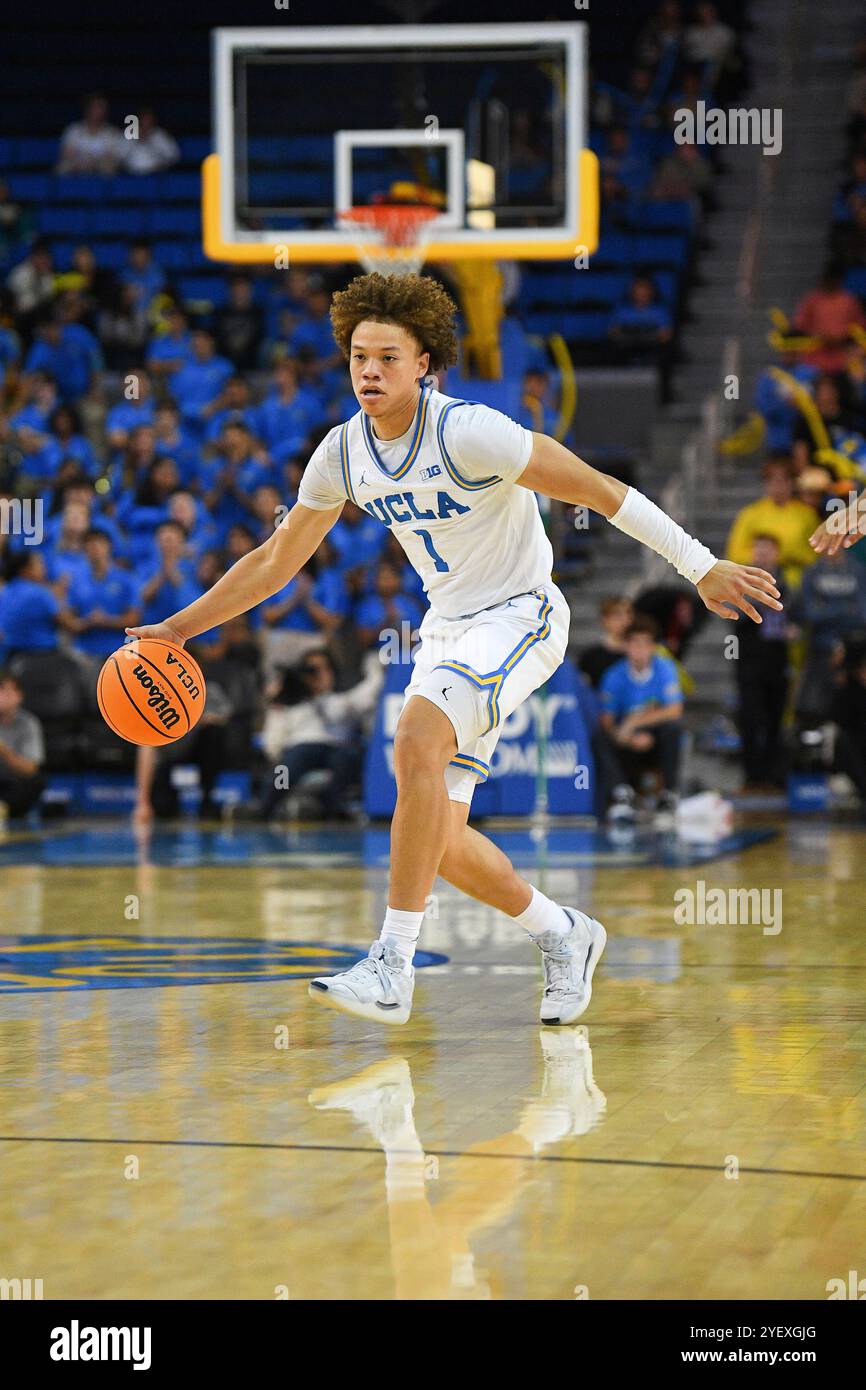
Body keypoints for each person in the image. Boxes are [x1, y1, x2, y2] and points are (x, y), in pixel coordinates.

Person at [125, 270, 781, 1028]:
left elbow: (599, 489)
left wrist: (701, 566)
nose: (369, 371)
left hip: (524, 613)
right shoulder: (341, 454)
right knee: (438, 835)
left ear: (425, 364)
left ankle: (392, 965)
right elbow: (276, 561)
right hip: (449, 628)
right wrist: (180, 628)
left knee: (415, 742)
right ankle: (563, 932)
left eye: (388, 358)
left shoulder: (472, 431)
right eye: (359, 357)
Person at [245, 648, 382, 821]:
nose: (319, 674)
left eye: (325, 669)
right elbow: (273, 738)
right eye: (312, 670)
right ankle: (266, 807)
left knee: (348, 757)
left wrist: (375, 667)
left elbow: (370, 692)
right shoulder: (290, 703)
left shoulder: (342, 700)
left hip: (336, 748)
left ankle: (335, 809)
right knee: (287, 765)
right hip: (300, 748)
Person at [596, 617, 684, 824]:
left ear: (653, 647)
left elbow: (674, 710)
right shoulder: (614, 675)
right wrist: (627, 737)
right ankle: (621, 795)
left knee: (673, 729)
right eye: (635, 643)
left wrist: (636, 723)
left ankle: (668, 795)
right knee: (600, 737)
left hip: (653, 736)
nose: (639, 649)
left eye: (645, 644)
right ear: (626, 646)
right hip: (625, 738)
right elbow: (607, 720)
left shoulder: (664, 669)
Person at [733, 536, 790, 790]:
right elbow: (733, 614)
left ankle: (773, 774)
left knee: (775, 717)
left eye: (768, 550)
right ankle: (752, 774)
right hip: (748, 659)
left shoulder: (785, 581)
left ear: (776, 554)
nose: (762, 554)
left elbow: (794, 611)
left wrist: (789, 626)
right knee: (750, 716)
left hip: (777, 660)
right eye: (759, 549)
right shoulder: (740, 577)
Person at [0, 669, 45, 819]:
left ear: (19, 696)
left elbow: (30, 769)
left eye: (8, 691)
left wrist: (4, 751)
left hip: (13, 781)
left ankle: (5, 808)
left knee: (35, 781)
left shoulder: (28, 723)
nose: (3, 697)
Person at [57, 95, 123, 176]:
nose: (97, 112)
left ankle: (104, 188)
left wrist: (93, 163)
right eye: (94, 107)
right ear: (87, 109)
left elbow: (113, 157)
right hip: (77, 165)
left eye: (100, 108)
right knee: (63, 167)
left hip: (100, 167)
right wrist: (82, 164)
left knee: (108, 168)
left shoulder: (112, 133)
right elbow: (67, 154)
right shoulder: (74, 130)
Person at [578, 596, 634, 688]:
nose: (625, 620)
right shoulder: (590, 658)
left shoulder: (642, 654)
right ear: (605, 619)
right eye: (618, 615)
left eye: (628, 614)